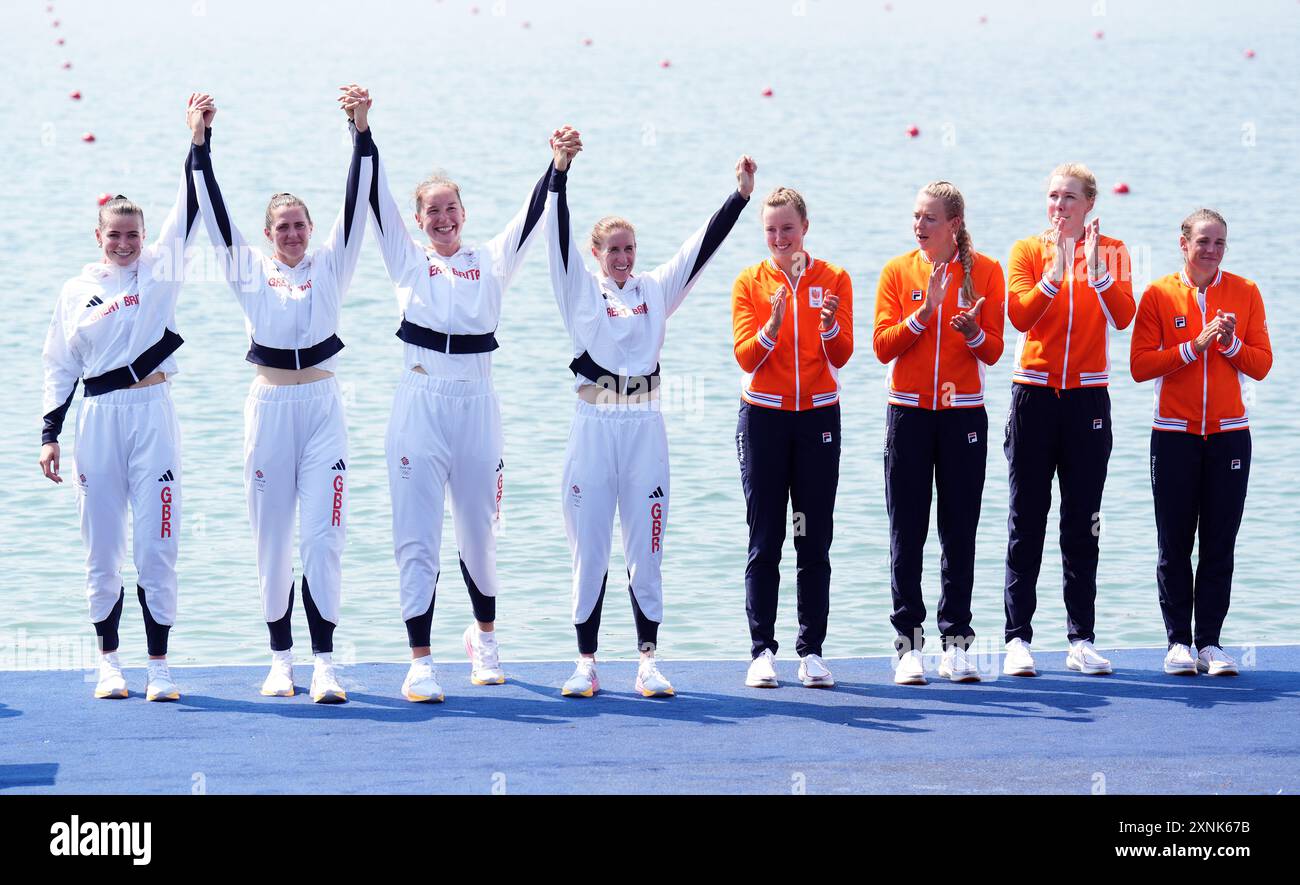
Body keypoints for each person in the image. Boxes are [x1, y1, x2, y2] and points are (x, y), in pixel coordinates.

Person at [353, 86, 552, 703]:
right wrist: (362, 129)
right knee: (416, 536)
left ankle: (485, 641)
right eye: (431, 212)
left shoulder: (491, 259)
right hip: (418, 407)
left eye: (450, 209)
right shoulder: (407, 261)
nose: (441, 219)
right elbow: (374, 197)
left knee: (479, 531)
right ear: (419, 221)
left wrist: (558, 165)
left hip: (477, 406)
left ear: (464, 212)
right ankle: (419, 661)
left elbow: (534, 213)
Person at [546, 125, 755, 697]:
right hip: (594, 425)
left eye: (629, 248)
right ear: (596, 254)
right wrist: (560, 174)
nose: (622, 257)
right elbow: (555, 237)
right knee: (589, 548)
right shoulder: (579, 289)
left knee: (647, 546)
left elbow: (700, 248)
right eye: (612, 249)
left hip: (645, 426)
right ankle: (586, 662)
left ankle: (647, 661)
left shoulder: (655, 288)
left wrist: (738, 196)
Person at [188, 88, 375, 703]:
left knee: (324, 537)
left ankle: (325, 664)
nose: (292, 234)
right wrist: (200, 142)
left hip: (322, 407)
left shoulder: (332, 263)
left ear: (311, 231)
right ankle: (280, 659)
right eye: (282, 228)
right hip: (268, 407)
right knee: (271, 536)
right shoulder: (250, 270)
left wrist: (359, 129)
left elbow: (359, 198)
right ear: (267, 235)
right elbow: (213, 215)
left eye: (300, 225)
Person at [39, 94, 209, 701]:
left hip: (153, 415)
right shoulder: (75, 290)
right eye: (115, 234)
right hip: (98, 421)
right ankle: (110, 663)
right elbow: (59, 363)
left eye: (133, 234)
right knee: (102, 549)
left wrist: (197, 139)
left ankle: (159, 668)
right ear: (99, 234)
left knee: (157, 546)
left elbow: (191, 207)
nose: (124, 243)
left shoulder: (162, 270)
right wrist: (49, 435)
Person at [1002, 163, 1135, 677]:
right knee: (1026, 520)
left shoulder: (1115, 252)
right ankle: (1018, 638)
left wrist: (1098, 268)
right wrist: (1056, 271)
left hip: (1087, 401)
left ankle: (1080, 638)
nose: (1059, 206)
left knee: (1082, 523)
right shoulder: (1027, 251)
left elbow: (1123, 316)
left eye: (1070, 198)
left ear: (1089, 205)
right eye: (1054, 197)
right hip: (1033, 396)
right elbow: (1020, 316)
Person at [873, 181, 1004, 685]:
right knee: (907, 532)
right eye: (915, 217)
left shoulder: (986, 272)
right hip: (907, 414)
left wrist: (970, 330)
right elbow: (883, 347)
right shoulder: (897, 271)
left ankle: (957, 645)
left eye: (929, 218)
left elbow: (992, 350)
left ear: (954, 225)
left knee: (959, 531)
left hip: (963, 416)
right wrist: (923, 316)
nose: (919, 226)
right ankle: (908, 646)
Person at [1130, 209, 1271, 676]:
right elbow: (1141, 366)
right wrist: (1196, 345)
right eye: (1203, 241)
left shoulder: (1245, 292)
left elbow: (1262, 363)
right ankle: (1177, 643)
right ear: (1183, 243)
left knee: (1219, 542)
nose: (1211, 251)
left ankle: (1210, 642)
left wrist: (1228, 345)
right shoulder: (1157, 294)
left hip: (1230, 436)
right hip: (1173, 436)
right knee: (1174, 542)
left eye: (1220, 243)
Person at [732, 186, 852, 689]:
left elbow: (842, 355)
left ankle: (812, 651)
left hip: (818, 420)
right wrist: (773, 327)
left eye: (788, 228)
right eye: (771, 230)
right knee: (765, 540)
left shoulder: (834, 279)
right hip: (764, 420)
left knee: (813, 540)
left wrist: (827, 330)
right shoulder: (750, 282)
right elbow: (745, 357)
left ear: (805, 228)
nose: (779, 238)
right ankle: (762, 650)